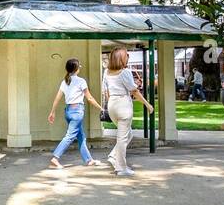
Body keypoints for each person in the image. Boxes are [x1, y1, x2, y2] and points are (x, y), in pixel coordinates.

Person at [101, 48, 153, 177]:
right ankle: (121, 168)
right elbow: (134, 91)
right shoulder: (125, 72)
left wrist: (111, 103)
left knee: (127, 135)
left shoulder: (106, 72)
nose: (128, 58)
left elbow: (105, 91)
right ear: (121, 58)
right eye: (127, 56)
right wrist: (147, 105)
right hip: (123, 104)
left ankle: (113, 156)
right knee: (123, 138)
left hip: (112, 104)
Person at [46, 57, 105, 169]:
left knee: (81, 136)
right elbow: (90, 98)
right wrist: (101, 108)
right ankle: (55, 157)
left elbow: (57, 98)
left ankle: (89, 160)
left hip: (68, 112)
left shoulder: (65, 81)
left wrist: (52, 112)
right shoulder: (81, 81)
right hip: (77, 112)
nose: (81, 67)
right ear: (76, 68)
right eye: (79, 65)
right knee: (69, 136)